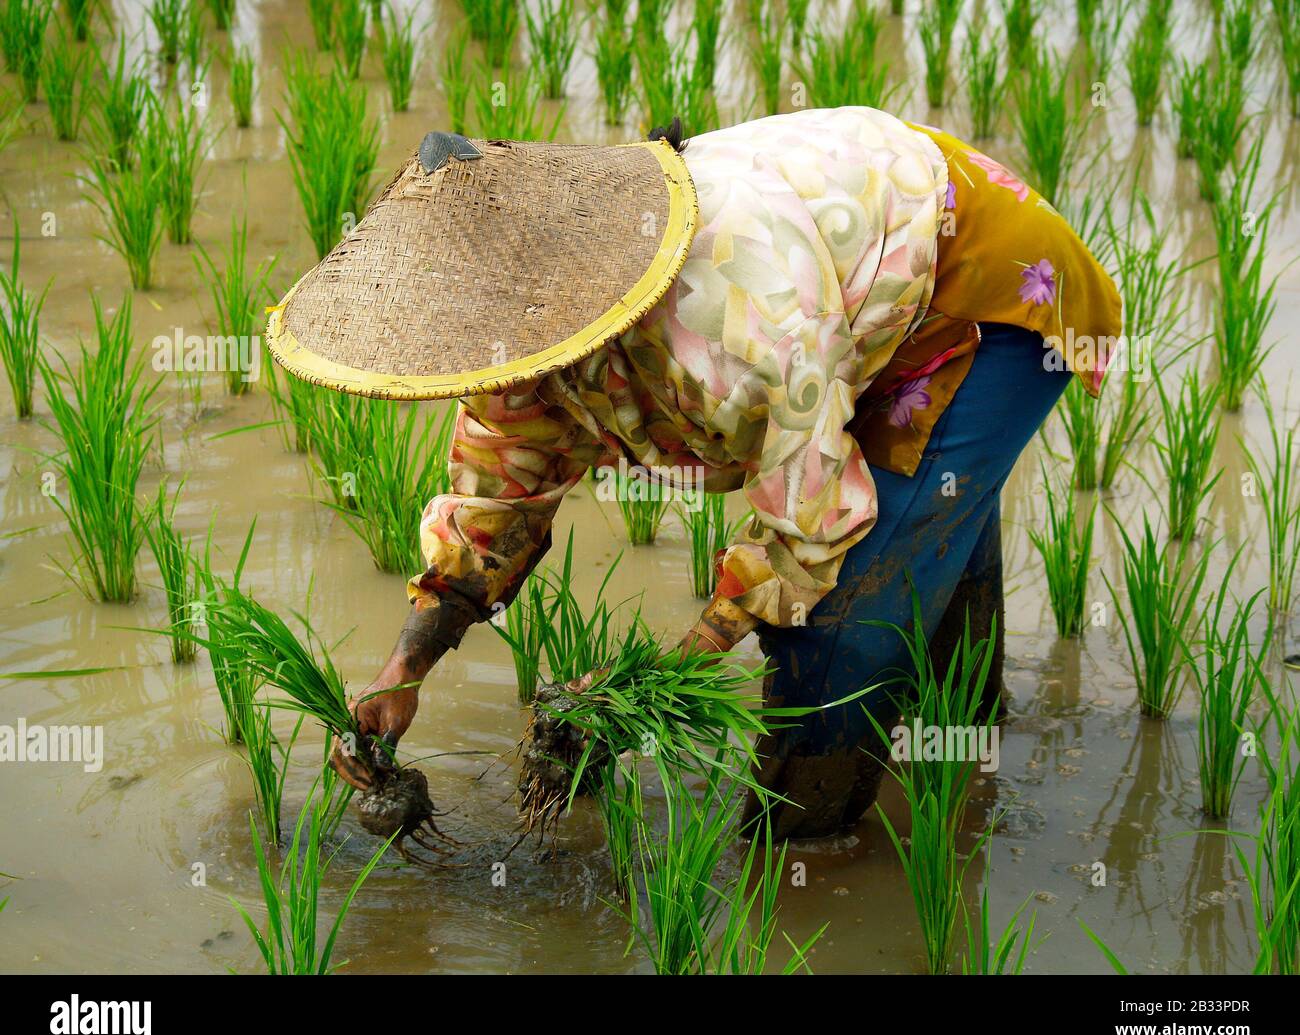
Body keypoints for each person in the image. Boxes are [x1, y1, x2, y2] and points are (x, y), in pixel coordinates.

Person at [266, 107, 1122, 839]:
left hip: (982, 288)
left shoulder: (729, 321)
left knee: (834, 625)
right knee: (926, 529)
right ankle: (966, 742)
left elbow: (808, 528)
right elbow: (496, 499)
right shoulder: (517, 348)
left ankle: (809, 838)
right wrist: (403, 668)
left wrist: (645, 684)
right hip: (854, 288)